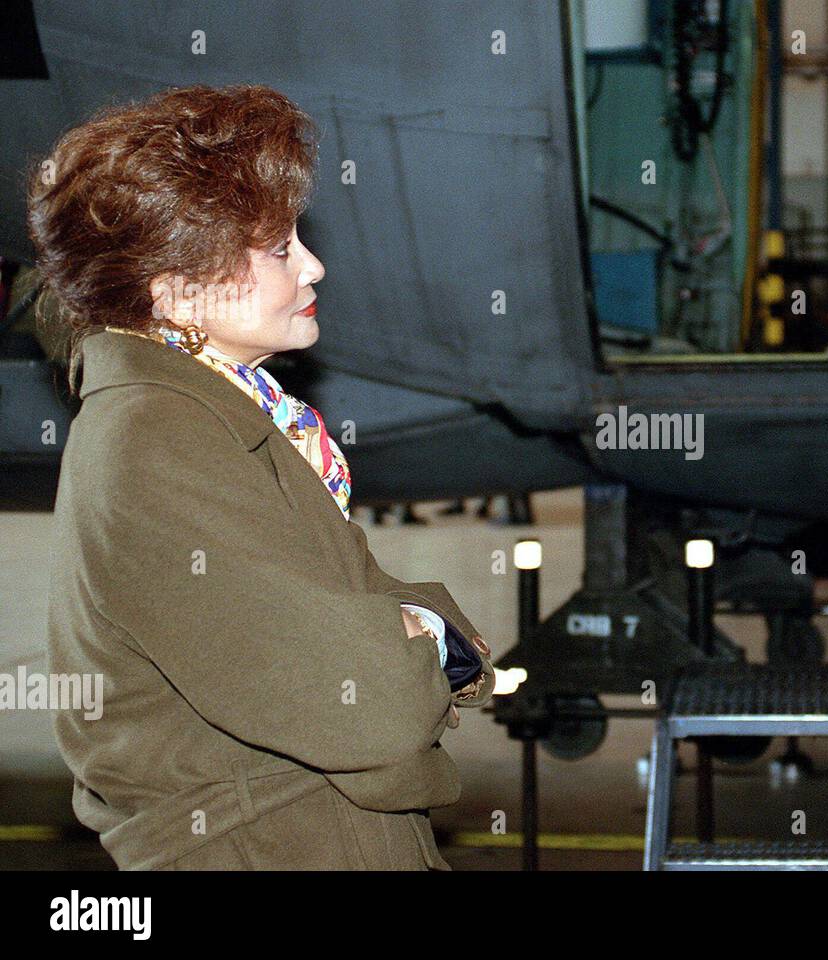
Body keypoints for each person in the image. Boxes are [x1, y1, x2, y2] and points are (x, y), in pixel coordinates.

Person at [32, 84, 493, 870]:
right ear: (177, 290)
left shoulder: (234, 419)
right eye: (279, 249)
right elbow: (370, 709)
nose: (314, 265)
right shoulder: (160, 438)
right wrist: (419, 639)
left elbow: (375, 657)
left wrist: (417, 634)